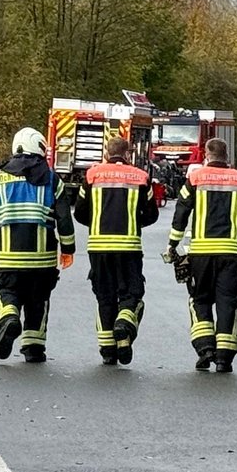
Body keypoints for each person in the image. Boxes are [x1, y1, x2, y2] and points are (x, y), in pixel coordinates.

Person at [0, 127, 75, 363]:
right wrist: (68, 250)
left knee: (7, 291)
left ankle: (9, 317)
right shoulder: (51, 179)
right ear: (39, 147)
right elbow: (64, 219)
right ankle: (33, 348)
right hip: (43, 259)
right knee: (38, 300)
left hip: (10, 257)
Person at [163, 137, 237, 372]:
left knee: (199, 299)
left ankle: (205, 348)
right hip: (230, 253)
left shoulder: (195, 179)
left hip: (201, 254)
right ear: (227, 157)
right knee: (228, 302)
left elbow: (181, 213)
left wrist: (172, 244)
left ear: (207, 154)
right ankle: (224, 358)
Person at [73, 139, 159, 366]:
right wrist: (134, 222)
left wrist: (97, 223)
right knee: (131, 294)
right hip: (128, 247)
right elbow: (152, 214)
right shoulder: (140, 177)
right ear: (128, 154)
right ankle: (123, 326)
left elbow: (80, 212)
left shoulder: (92, 176)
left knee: (105, 298)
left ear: (106, 152)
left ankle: (108, 350)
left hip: (99, 247)